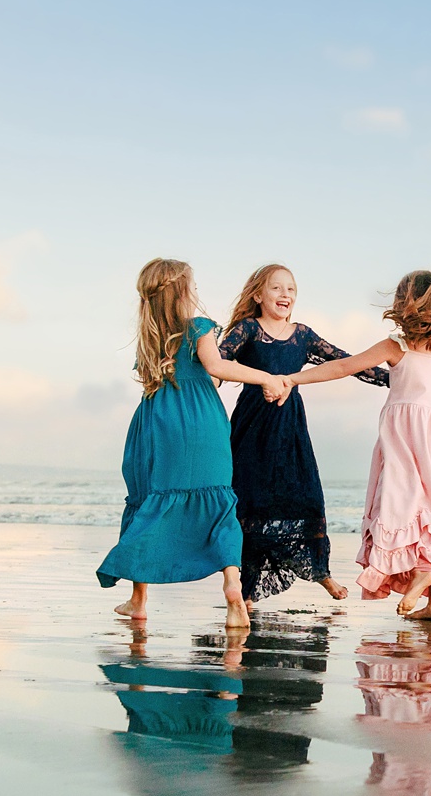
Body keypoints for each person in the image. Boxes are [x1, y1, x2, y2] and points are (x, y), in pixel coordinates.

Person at [271, 270, 431, 620]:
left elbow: (342, 367)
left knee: (403, 501)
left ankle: (423, 572)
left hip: (403, 437)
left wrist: (293, 378)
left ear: (406, 306)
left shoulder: (396, 346)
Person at [96, 258, 288, 627]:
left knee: (150, 504)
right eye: (193, 285)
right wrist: (265, 377)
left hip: (156, 426)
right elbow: (215, 367)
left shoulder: (149, 339)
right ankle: (233, 585)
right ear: (183, 292)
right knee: (218, 502)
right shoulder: (198, 328)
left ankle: (138, 601)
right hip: (203, 422)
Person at [216, 263, 389, 604]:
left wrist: (395, 378)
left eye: (291, 289)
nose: (286, 295)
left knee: (304, 493)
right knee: (251, 498)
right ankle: (247, 589)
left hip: (290, 424)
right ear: (258, 295)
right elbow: (220, 362)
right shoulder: (246, 329)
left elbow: (344, 361)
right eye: (277, 288)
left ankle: (320, 572)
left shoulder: (303, 334)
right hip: (252, 424)